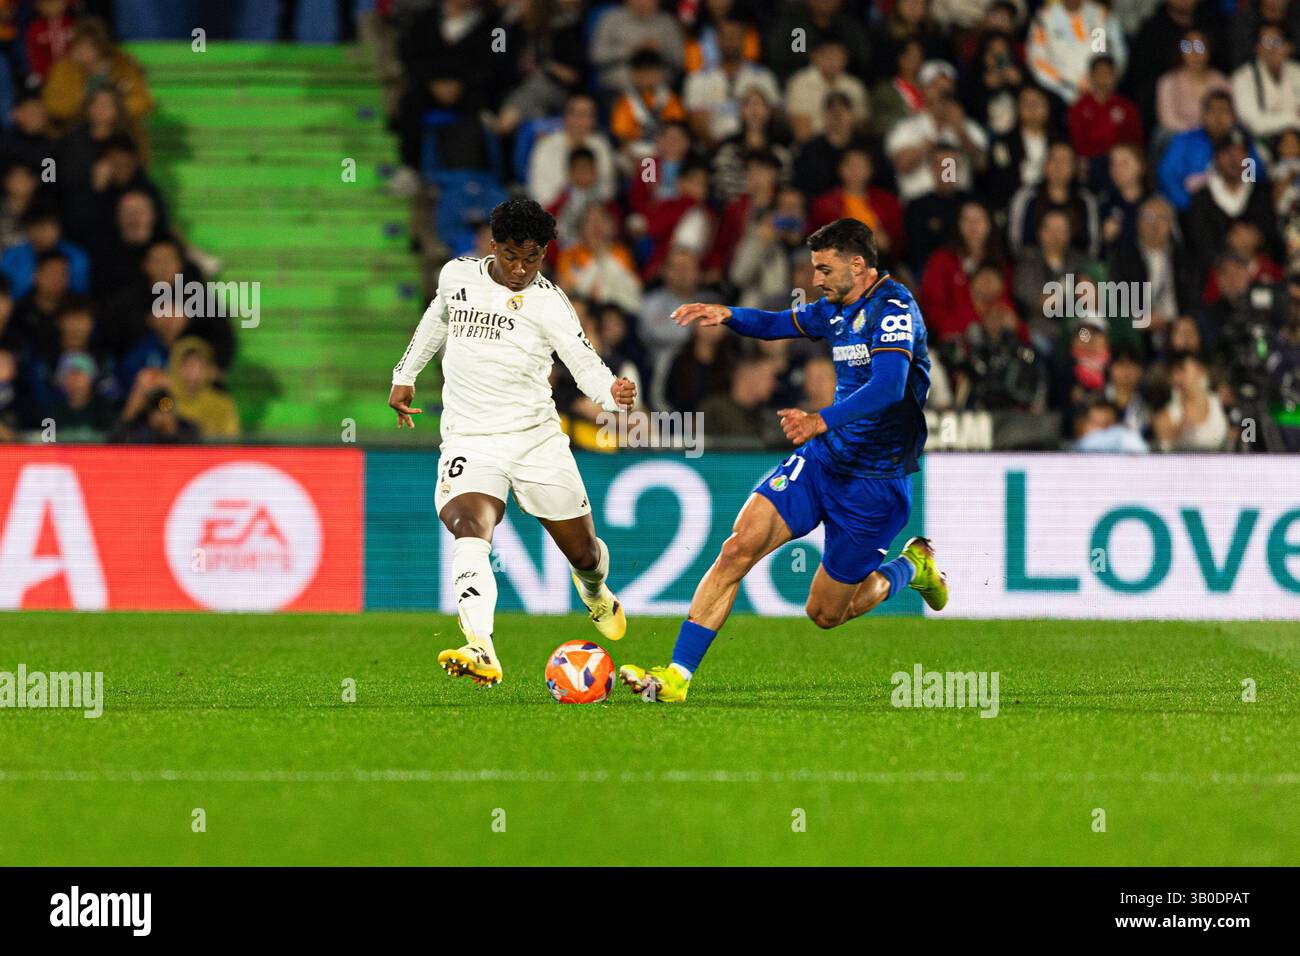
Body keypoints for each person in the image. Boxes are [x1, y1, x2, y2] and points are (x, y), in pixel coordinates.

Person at [618, 218, 947, 704]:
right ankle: (676, 676)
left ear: (857, 265)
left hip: (875, 483)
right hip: (821, 462)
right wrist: (725, 313)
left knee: (826, 613)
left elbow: (889, 386)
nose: (815, 279)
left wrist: (822, 419)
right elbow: (778, 324)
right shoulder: (835, 308)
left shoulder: (894, 308)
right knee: (737, 548)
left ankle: (911, 567)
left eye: (823, 269)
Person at [387, 198, 637, 689]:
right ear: (493, 246)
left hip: (535, 441)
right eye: (511, 257)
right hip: (470, 438)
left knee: (585, 554)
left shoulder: (549, 303)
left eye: (533, 259)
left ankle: (595, 591)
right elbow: (436, 318)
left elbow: (582, 361)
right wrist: (405, 374)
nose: (521, 269)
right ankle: (480, 645)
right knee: (468, 527)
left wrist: (611, 391)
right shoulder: (457, 276)